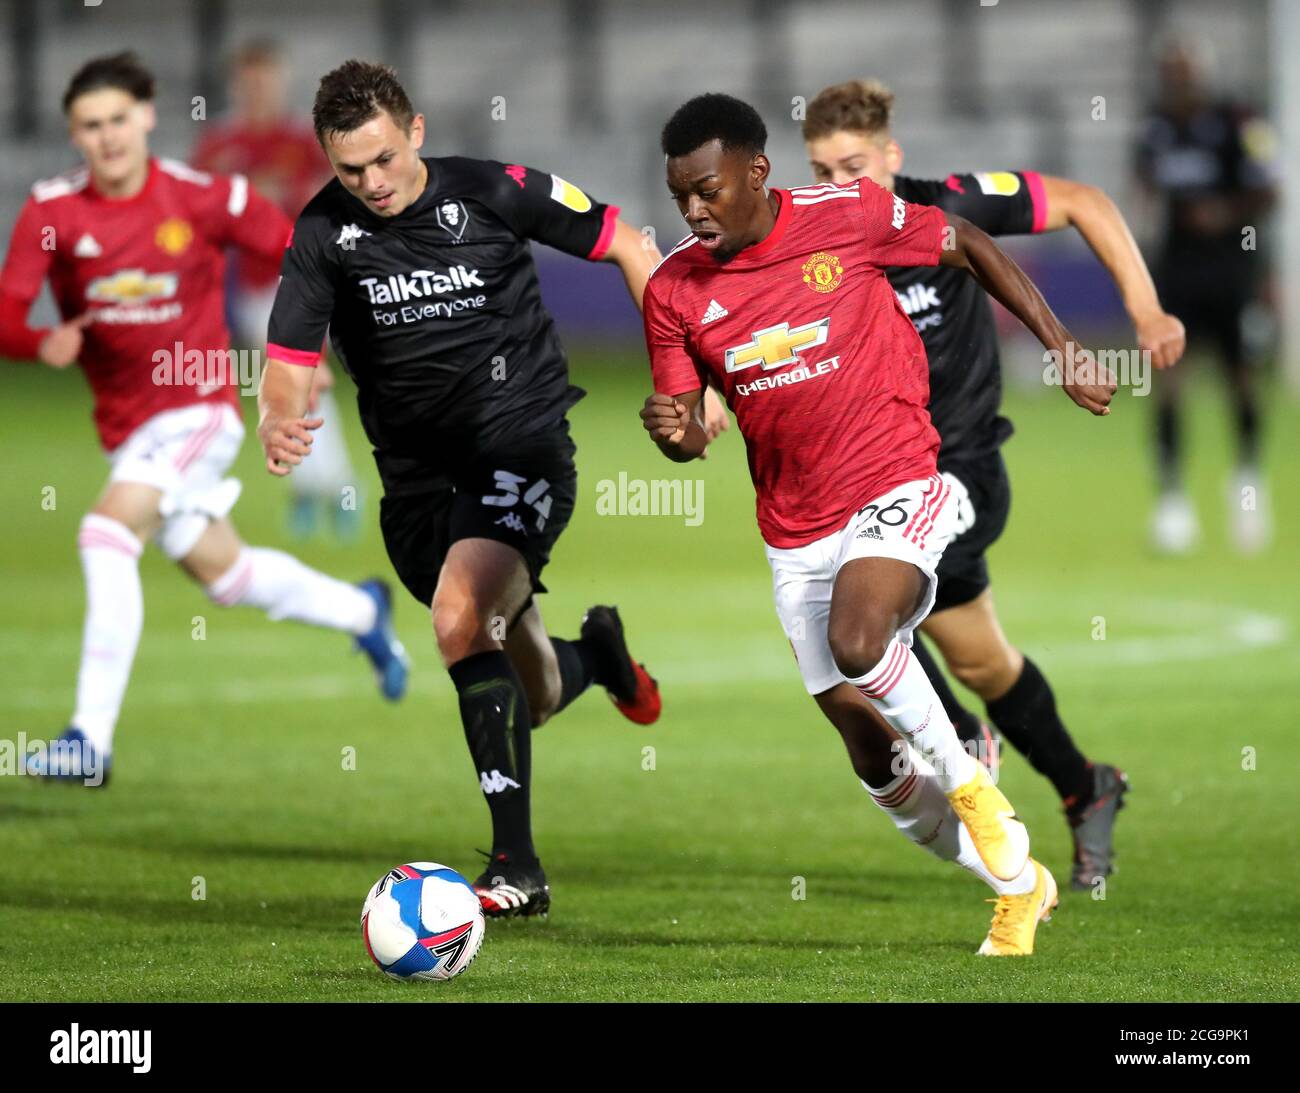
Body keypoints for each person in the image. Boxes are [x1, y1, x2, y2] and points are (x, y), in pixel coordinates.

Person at [640, 94, 1116, 955]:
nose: (694, 210)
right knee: (870, 753)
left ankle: (975, 785)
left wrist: (1060, 344)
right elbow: (685, 428)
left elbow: (966, 242)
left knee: (861, 639)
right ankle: (1016, 882)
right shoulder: (674, 290)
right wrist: (675, 437)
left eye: (708, 190)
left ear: (756, 172)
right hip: (794, 526)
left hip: (897, 475)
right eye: (680, 198)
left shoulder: (847, 214)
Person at [258, 60, 663, 918]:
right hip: (414, 488)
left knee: (455, 619)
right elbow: (289, 360)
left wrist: (678, 376)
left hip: (519, 448)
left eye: (381, 160)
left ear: (416, 132)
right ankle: (603, 659)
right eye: (349, 169)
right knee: (536, 691)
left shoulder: (493, 190)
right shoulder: (324, 233)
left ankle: (517, 866)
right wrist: (276, 418)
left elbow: (627, 242)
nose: (370, 183)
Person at [799, 78, 1187, 889]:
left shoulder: (946, 208)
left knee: (863, 619)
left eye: (853, 166)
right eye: (820, 169)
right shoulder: (811, 243)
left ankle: (963, 743)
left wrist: (1144, 309)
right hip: (871, 479)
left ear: (892, 157)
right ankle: (1087, 785)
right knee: (983, 661)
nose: (837, 185)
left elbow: (1083, 200)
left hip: (960, 471)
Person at [0, 53, 409, 787]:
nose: (107, 137)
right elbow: (7, 314)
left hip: (198, 409)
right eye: (90, 126)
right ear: (73, 133)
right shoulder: (51, 212)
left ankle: (88, 739)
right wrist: (39, 341)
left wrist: (308, 351)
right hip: (127, 426)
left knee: (104, 533)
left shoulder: (203, 196)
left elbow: (301, 252)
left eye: (118, 119)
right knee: (226, 571)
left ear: (148, 116)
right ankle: (361, 609)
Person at [192, 39, 361, 541]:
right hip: (253, 284)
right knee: (295, 386)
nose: (258, 90)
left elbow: (340, 193)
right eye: (250, 82)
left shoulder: (306, 140)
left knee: (302, 381)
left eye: (266, 80)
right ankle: (325, 488)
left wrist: (280, 192)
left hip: (307, 276)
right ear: (237, 86)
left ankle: (325, 489)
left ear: (280, 83)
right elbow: (197, 207)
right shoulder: (220, 146)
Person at [1136, 39, 1276, 554]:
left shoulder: (1240, 121)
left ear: (1201, 76)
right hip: (1178, 274)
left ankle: (1247, 483)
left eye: (1184, 74)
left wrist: (1224, 214)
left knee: (1241, 380)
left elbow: (1270, 189)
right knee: (1170, 382)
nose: (1177, 84)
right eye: (1170, 74)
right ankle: (1172, 502)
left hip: (1233, 272)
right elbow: (1146, 185)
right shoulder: (1156, 129)